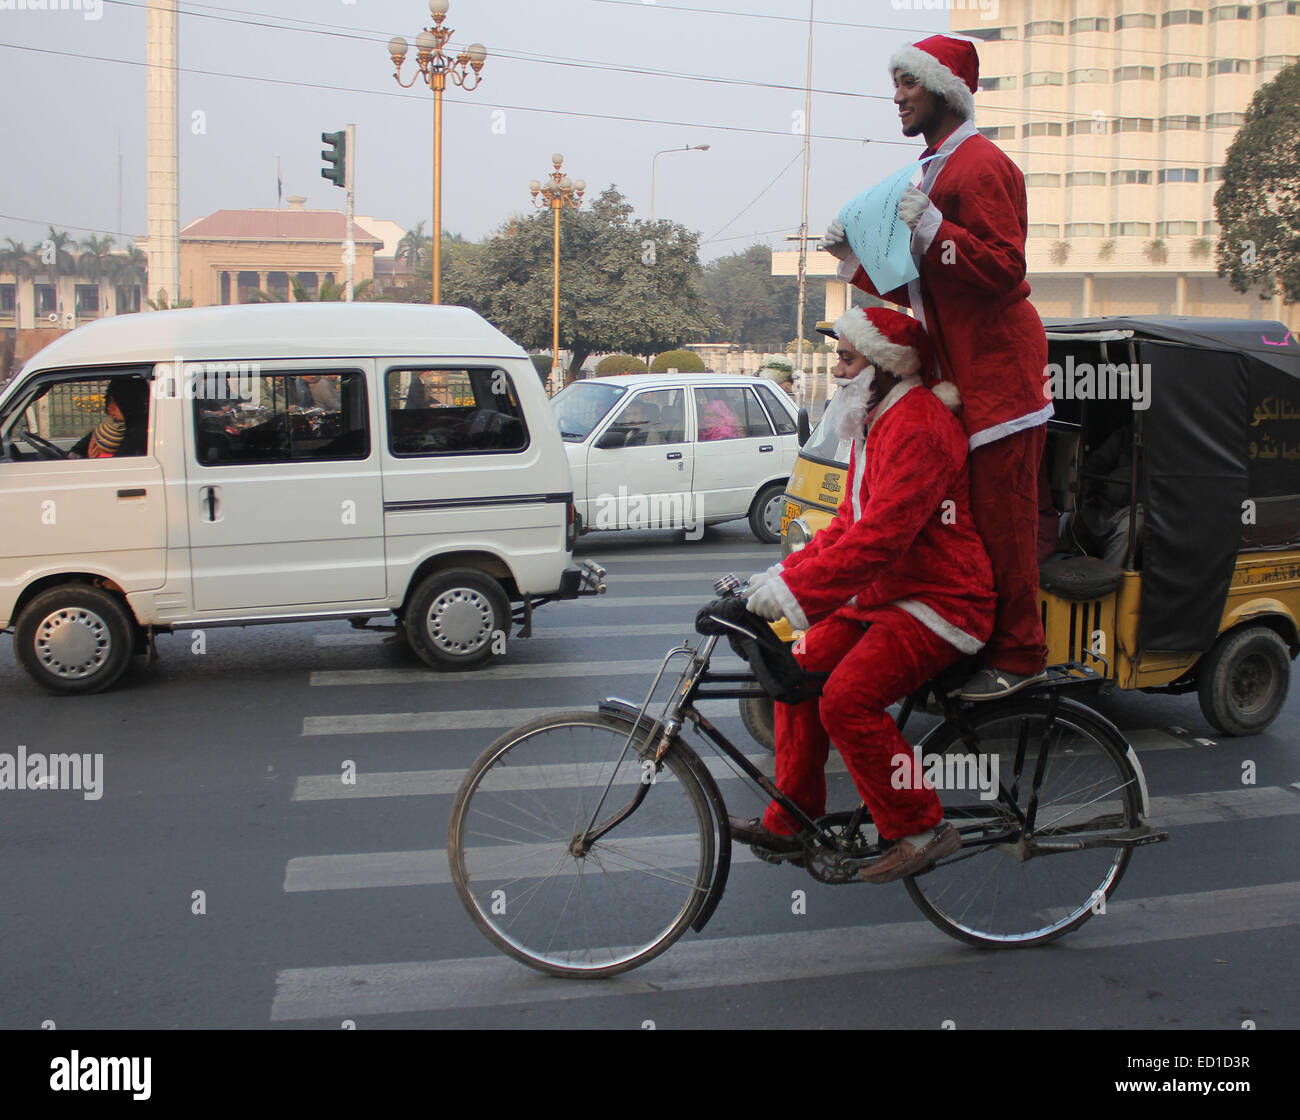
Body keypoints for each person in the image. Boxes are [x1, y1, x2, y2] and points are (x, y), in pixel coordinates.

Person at [820, 33, 1051, 702]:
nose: (896, 97)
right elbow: (921, 284)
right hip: (962, 377)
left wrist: (933, 232)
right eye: (895, 82)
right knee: (967, 520)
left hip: (1000, 377)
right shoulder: (932, 169)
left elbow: (1005, 271)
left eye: (907, 83)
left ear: (943, 89)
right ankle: (963, 639)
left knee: (1004, 524)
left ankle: (1021, 653)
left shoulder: (981, 165)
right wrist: (854, 262)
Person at [729, 307, 997, 883]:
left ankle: (921, 828)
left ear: (883, 367)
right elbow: (848, 525)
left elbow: (882, 537)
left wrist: (797, 590)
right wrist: (780, 577)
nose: (837, 369)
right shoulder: (873, 423)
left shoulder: (921, 425)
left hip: (941, 600)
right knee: (794, 671)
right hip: (886, 595)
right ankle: (793, 820)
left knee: (846, 700)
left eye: (847, 358)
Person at [74, 379, 149, 459]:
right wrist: (75, 452)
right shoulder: (116, 424)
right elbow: (93, 438)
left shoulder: (140, 433)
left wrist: (93, 460)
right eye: (109, 401)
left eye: (115, 402)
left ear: (130, 403)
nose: (110, 407)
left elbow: (119, 466)